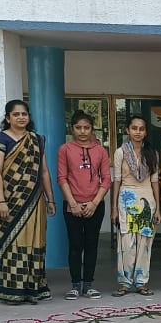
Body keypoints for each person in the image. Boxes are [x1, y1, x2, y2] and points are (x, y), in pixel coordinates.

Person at [0, 99, 54, 305]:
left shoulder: (36, 140)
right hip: (9, 202)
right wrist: (0, 201)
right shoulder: (0, 140)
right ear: (8, 118)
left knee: (35, 242)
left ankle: (34, 288)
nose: (21, 117)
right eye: (16, 114)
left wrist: (50, 199)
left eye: (24, 114)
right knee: (13, 244)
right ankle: (13, 291)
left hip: (34, 201)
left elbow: (43, 171)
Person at [57, 110, 111, 300]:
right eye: (78, 127)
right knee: (75, 244)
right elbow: (62, 177)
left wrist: (95, 203)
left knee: (91, 245)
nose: (82, 131)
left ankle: (88, 285)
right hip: (72, 205)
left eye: (86, 127)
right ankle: (74, 285)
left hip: (95, 205)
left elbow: (106, 179)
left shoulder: (101, 151)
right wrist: (72, 203)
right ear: (72, 128)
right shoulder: (65, 149)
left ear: (92, 129)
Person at [111, 113, 160, 297]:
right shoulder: (120, 152)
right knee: (126, 242)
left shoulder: (152, 153)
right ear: (127, 130)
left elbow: (155, 181)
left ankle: (141, 282)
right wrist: (114, 207)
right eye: (134, 128)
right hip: (126, 199)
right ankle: (124, 283)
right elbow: (116, 180)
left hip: (147, 199)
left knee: (145, 243)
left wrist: (159, 207)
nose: (137, 132)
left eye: (141, 129)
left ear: (145, 132)